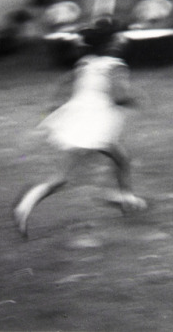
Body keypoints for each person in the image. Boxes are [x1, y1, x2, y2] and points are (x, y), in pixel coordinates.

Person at [13, 34, 147, 238]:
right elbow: (118, 96)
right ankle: (26, 203)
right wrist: (133, 100)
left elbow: (65, 87)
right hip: (94, 122)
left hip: (78, 118)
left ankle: (125, 197)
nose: (120, 43)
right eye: (117, 40)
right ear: (111, 45)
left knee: (120, 158)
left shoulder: (85, 63)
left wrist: (53, 107)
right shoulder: (115, 65)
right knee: (66, 176)